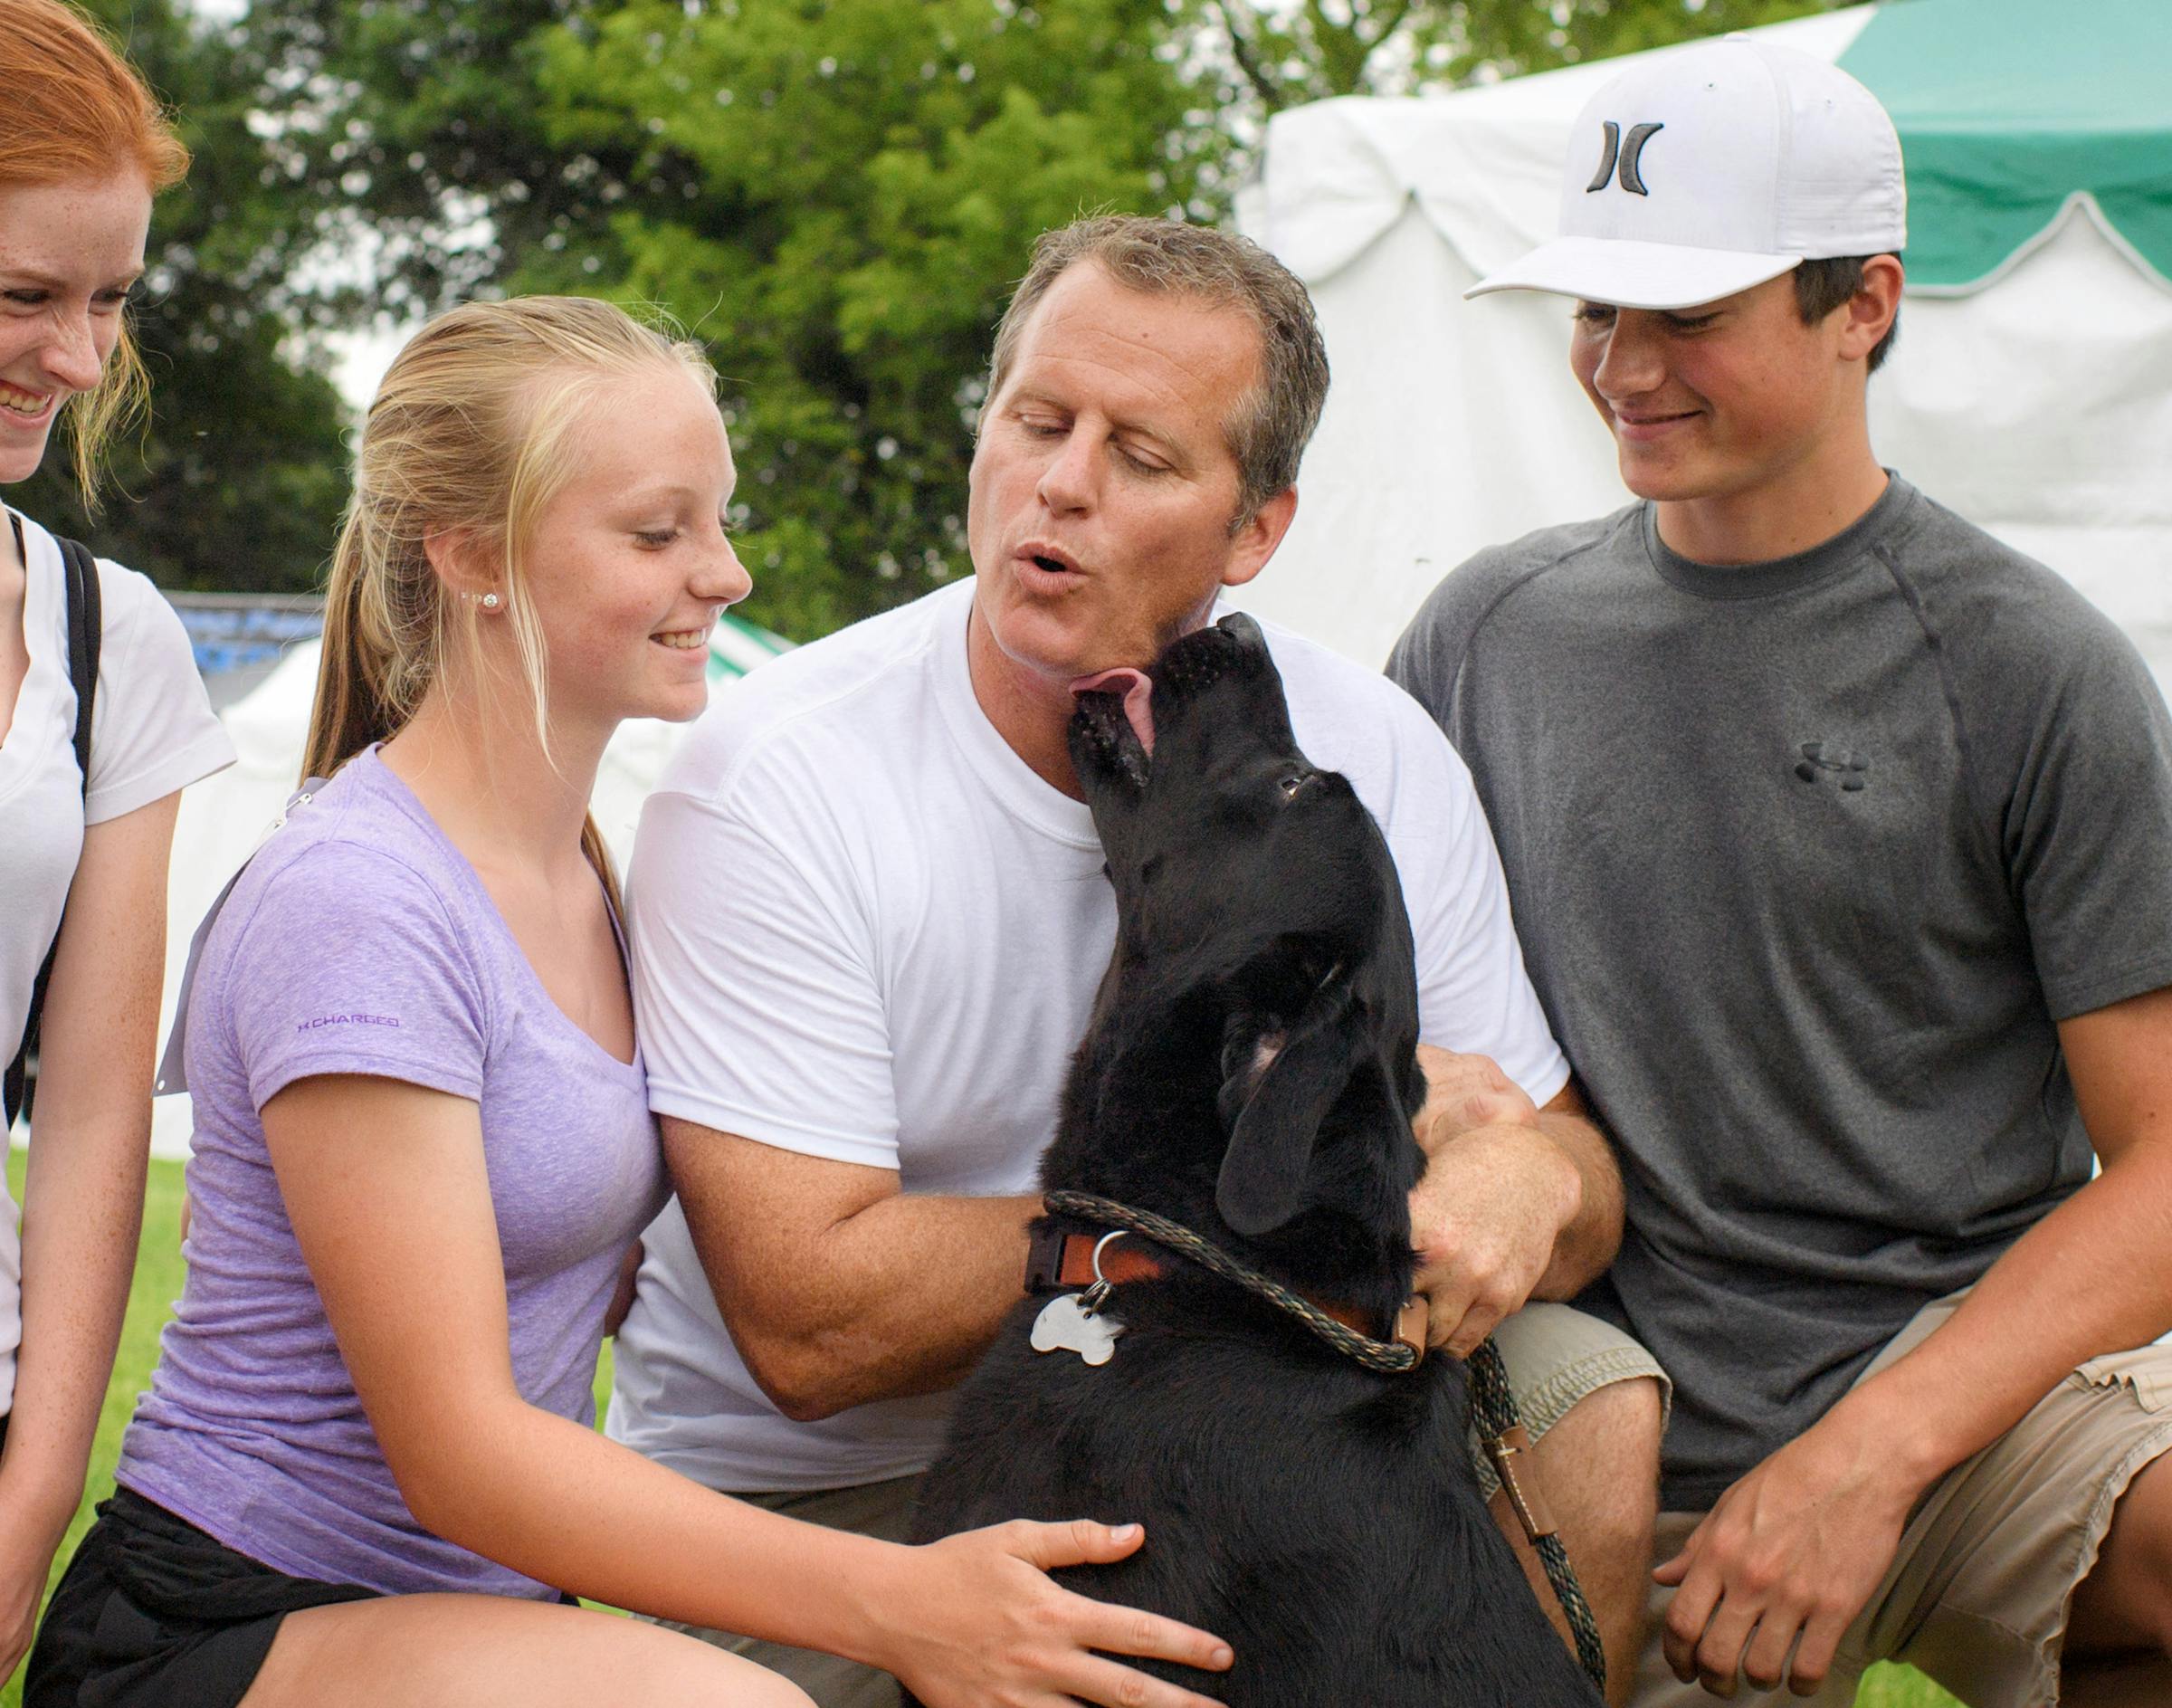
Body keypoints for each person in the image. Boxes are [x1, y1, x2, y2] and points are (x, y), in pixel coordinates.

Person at [24, 293, 1244, 1708]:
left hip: (472, 1609)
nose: (723, 576)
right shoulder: (360, 902)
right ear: (473, 554)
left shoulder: (590, 868)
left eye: (718, 522)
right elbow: (460, 1452)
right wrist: (900, 1602)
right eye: (658, 534)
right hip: (229, 1625)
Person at [610, 212, 1669, 1708]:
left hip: (1251, 1433)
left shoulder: (1365, 753)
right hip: (837, 1508)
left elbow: (1567, 1168)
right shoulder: (778, 778)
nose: (1060, 482)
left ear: (1257, 531)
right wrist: (1255, 1218)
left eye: (1143, 455)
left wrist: (1536, 1183)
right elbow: (811, 1319)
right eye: (1037, 421)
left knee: (1586, 1396)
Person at [1387, 37, 2172, 1708]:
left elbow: (2168, 1161)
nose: (1622, 366)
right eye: (1598, 310)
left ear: (1864, 304)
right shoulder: (1479, 638)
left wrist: (1865, 1462)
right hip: (1589, 1384)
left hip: (1961, 1395)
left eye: (1688, 314)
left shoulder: (2034, 665)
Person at [0, 0, 235, 1687]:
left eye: (109, 302)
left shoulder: (105, 636)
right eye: (25, 296)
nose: (80, 362)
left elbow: (90, 1115)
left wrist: (34, 1492)